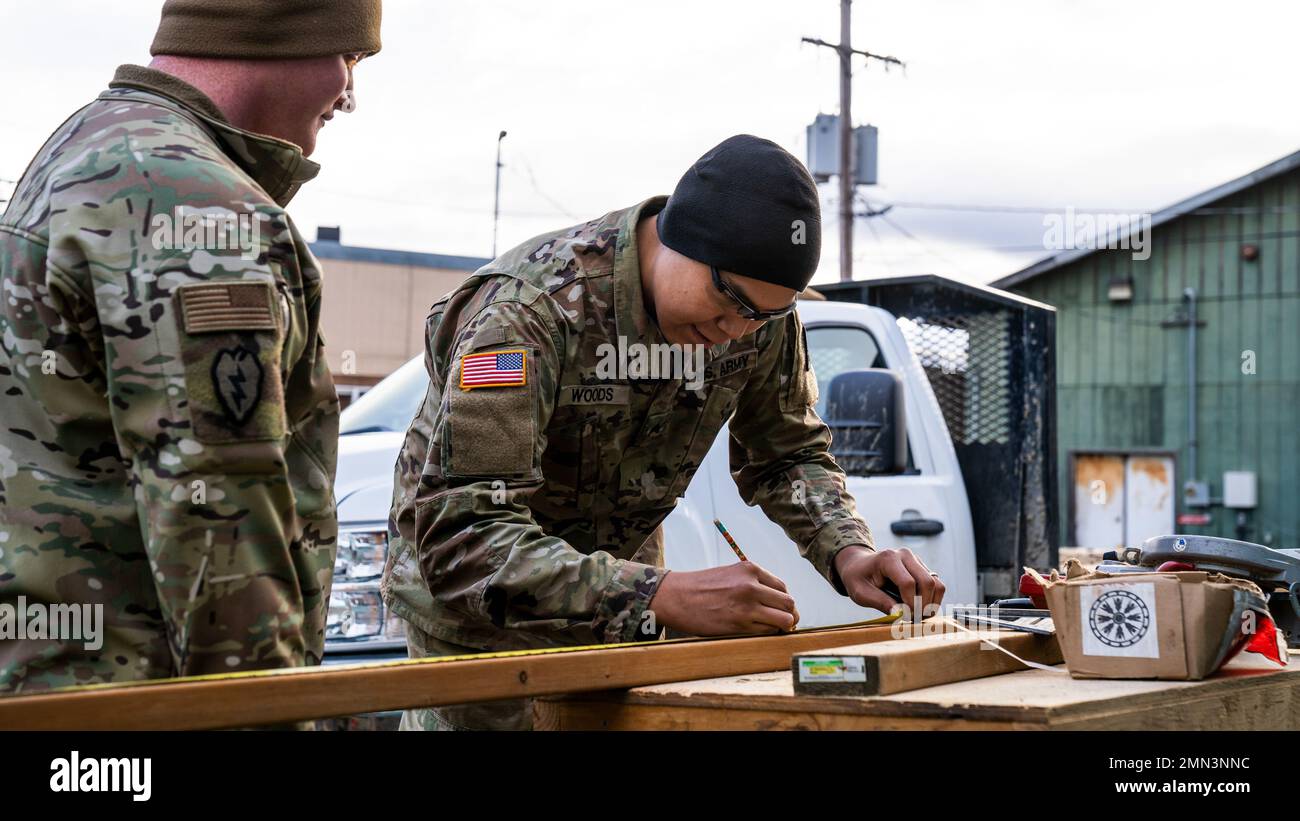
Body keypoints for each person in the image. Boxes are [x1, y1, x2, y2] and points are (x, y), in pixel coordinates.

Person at [382, 134, 946, 730]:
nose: (736, 331)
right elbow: (464, 538)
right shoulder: (528, 314)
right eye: (727, 303)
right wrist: (658, 595)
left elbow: (786, 453)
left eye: (762, 316)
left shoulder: (757, 312)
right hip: (487, 632)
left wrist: (848, 548)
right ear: (684, 238)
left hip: (619, 615)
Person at [0, 0, 382, 692]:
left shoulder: (87, 147)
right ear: (285, 29)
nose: (350, 95)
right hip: (129, 716)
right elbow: (219, 540)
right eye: (351, 56)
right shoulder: (190, 201)